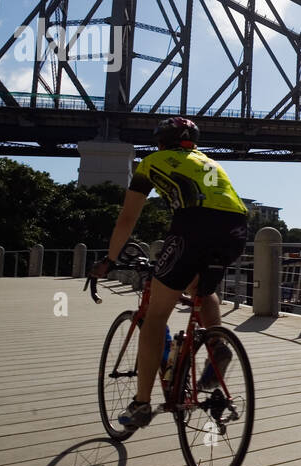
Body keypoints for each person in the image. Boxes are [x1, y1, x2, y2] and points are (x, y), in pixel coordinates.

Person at [89, 117, 249, 430]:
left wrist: (109, 260)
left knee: (155, 315)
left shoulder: (151, 162)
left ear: (161, 142)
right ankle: (217, 345)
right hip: (237, 228)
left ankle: (141, 404)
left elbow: (126, 220)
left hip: (193, 226)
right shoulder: (210, 163)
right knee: (200, 289)